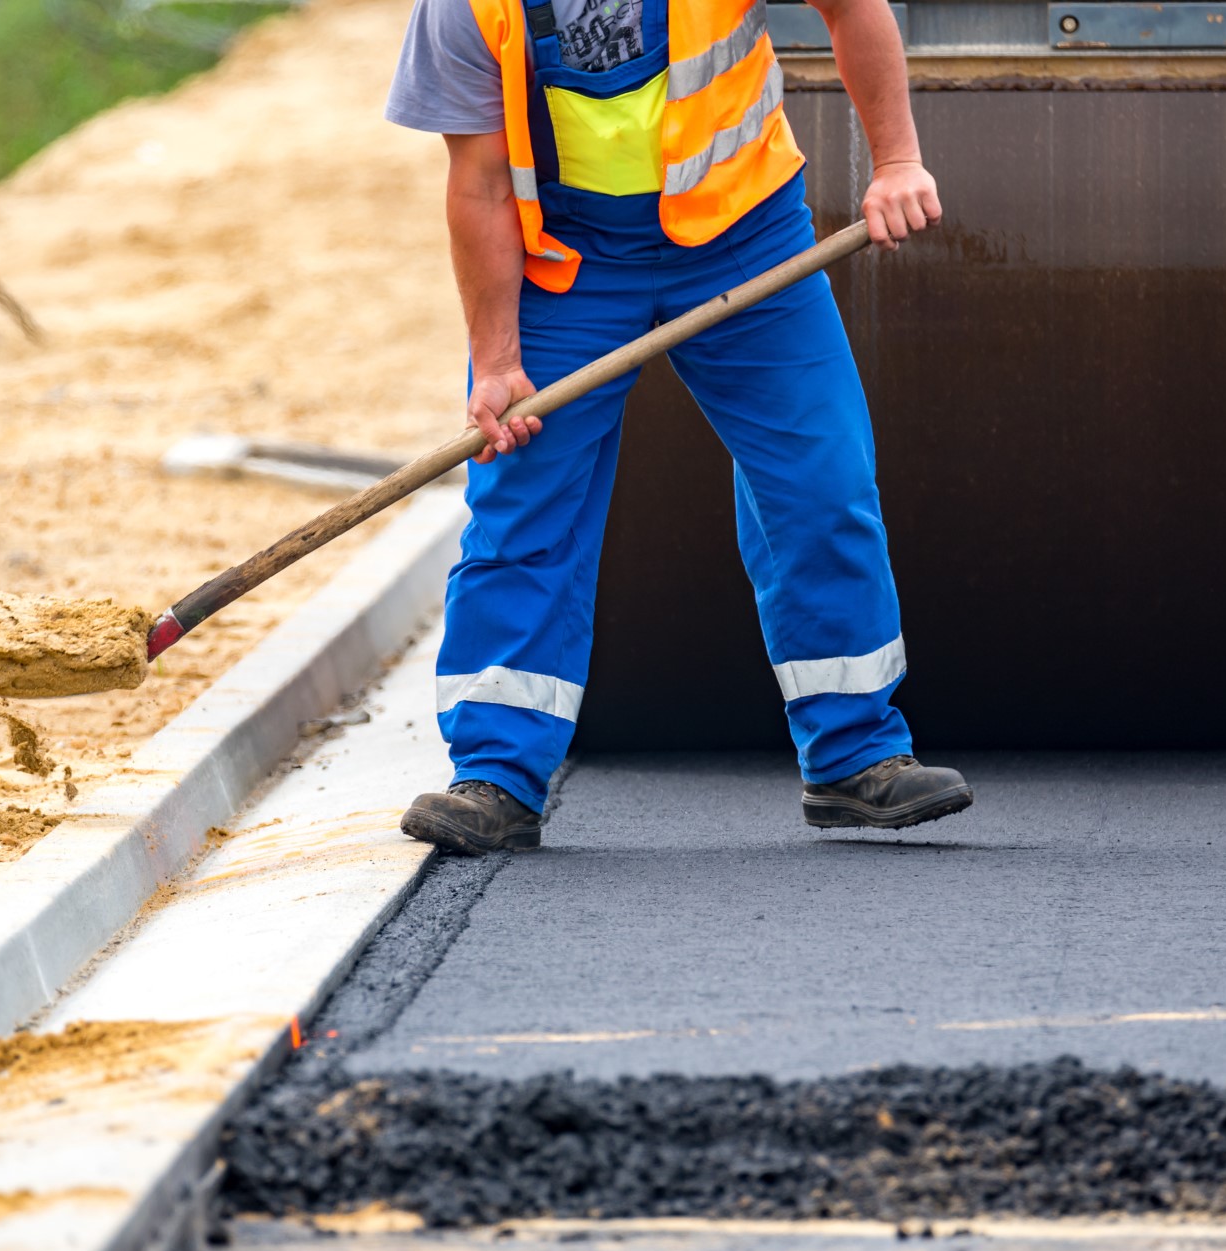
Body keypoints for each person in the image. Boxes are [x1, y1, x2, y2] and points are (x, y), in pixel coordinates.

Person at [386, 0, 970, 853]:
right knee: (523, 495)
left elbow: (852, 8)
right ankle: (496, 776)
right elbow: (476, 180)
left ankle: (856, 758)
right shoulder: (466, 9)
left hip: (744, 236)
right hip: (572, 264)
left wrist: (898, 160)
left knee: (822, 477)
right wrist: (499, 357)